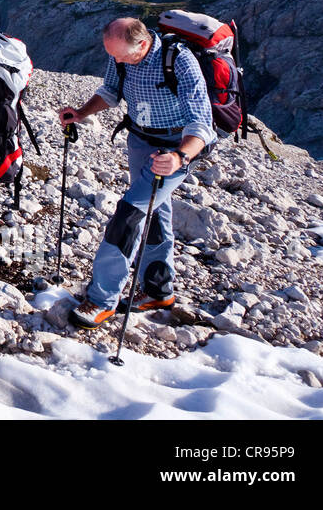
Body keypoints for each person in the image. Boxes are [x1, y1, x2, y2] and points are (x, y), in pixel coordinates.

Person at [57, 17, 216, 329]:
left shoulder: (179, 61)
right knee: (154, 212)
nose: (116, 60)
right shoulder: (120, 55)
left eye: (123, 56)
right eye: (112, 54)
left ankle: (102, 300)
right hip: (140, 139)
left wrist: (180, 157)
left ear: (143, 44)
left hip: (173, 148)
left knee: (128, 214)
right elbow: (111, 92)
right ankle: (158, 290)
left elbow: (202, 124)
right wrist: (81, 113)